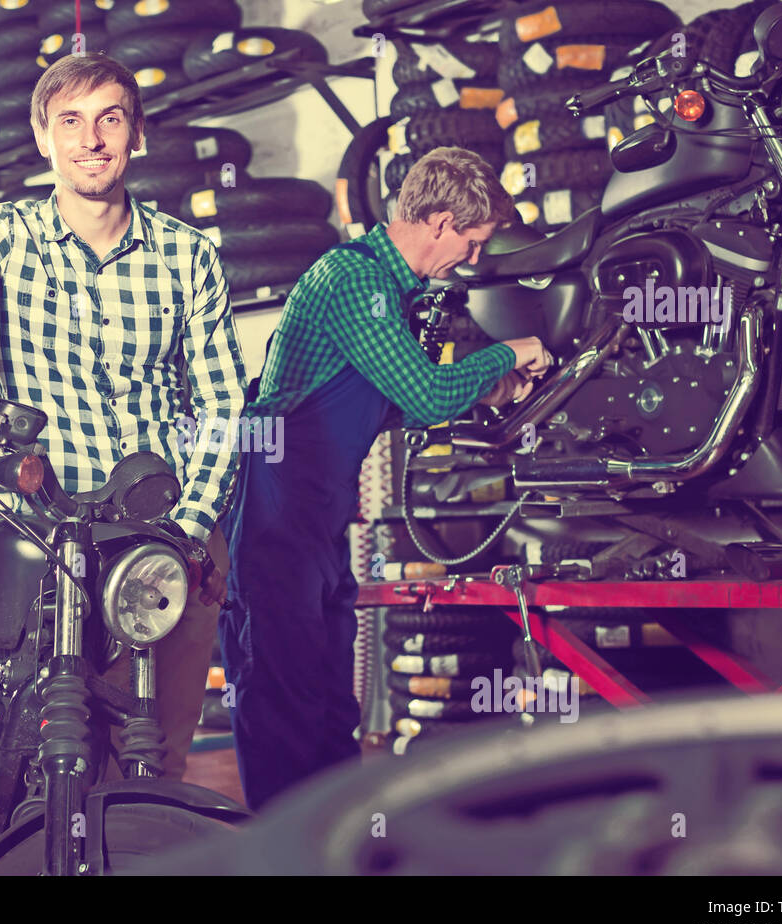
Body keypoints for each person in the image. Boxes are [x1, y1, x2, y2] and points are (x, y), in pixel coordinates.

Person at [0, 52, 247, 781]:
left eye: (110, 119)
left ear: (136, 135)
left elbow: (222, 402)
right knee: (50, 753)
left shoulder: (188, 255)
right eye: (69, 122)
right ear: (44, 138)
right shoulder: (4, 233)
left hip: (164, 532)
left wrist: (193, 530)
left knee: (158, 754)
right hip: (45, 532)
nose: (91, 139)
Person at [218, 146, 552, 810]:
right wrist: (505, 353)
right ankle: (283, 854)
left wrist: (486, 393)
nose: (475, 259)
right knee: (282, 699)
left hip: (318, 513)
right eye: (472, 241)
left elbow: (394, 398)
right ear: (436, 220)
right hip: (275, 507)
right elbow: (427, 396)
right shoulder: (354, 280)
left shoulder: (390, 295)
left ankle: (337, 844)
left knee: (329, 700)